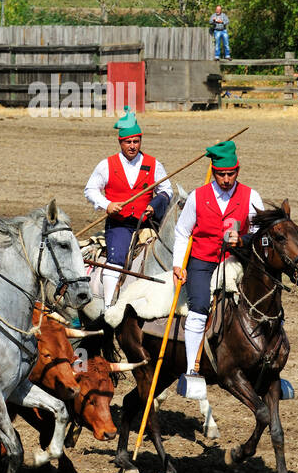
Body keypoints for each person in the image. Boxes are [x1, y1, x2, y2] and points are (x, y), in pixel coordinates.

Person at [171, 139, 264, 400]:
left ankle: (271, 363)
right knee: (199, 305)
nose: (226, 179)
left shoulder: (251, 197)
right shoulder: (197, 197)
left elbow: (261, 234)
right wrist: (178, 264)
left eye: (230, 174)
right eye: (221, 174)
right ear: (213, 172)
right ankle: (192, 370)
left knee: (261, 302)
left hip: (237, 261)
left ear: (238, 170)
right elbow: (182, 232)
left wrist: (243, 240)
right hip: (202, 260)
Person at [84, 106, 172, 310]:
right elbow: (90, 190)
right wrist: (108, 204)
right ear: (120, 142)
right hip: (120, 224)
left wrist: (154, 205)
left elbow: (166, 190)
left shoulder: (153, 164)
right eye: (128, 142)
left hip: (148, 222)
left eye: (136, 141)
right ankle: (108, 307)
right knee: (116, 259)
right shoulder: (106, 165)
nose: (132, 146)